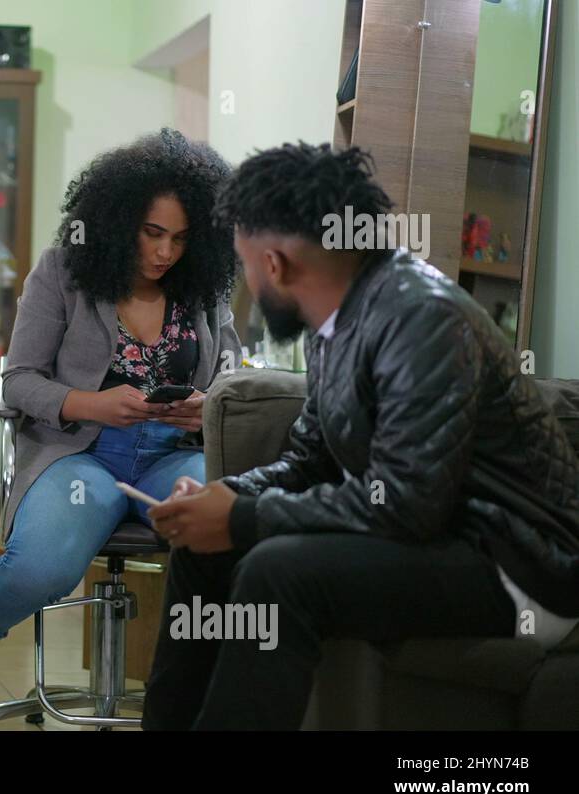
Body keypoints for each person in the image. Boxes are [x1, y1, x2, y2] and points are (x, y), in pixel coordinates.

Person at [144, 142, 579, 730]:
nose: (247, 279)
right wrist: (225, 500)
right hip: (443, 538)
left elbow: (407, 503)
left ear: (274, 264)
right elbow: (309, 459)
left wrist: (246, 519)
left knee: (279, 572)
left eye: (246, 262)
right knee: (201, 548)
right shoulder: (336, 323)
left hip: (518, 563)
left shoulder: (422, 318)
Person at [0, 129, 242, 730]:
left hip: (172, 456)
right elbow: (18, 380)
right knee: (40, 567)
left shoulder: (204, 290)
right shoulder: (63, 272)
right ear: (117, 218)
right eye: (152, 233)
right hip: (82, 454)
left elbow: (230, 380)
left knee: (227, 532)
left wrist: (205, 407)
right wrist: (89, 403)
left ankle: (192, 704)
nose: (165, 253)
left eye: (180, 238)